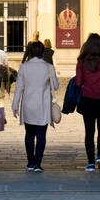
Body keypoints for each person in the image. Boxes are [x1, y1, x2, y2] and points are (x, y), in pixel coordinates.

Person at [12, 40, 58, 172]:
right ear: (43, 52)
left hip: (28, 105)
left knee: (29, 135)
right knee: (41, 135)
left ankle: (30, 162)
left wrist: (15, 105)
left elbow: (19, 88)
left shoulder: (24, 67)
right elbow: (55, 86)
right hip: (43, 105)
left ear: (30, 53)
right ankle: (38, 163)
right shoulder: (48, 67)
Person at [75, 34, 100, 171]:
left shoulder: (82, 61)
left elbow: (78, 82)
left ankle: (90, 162)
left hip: (87, 99)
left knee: (89, 132)